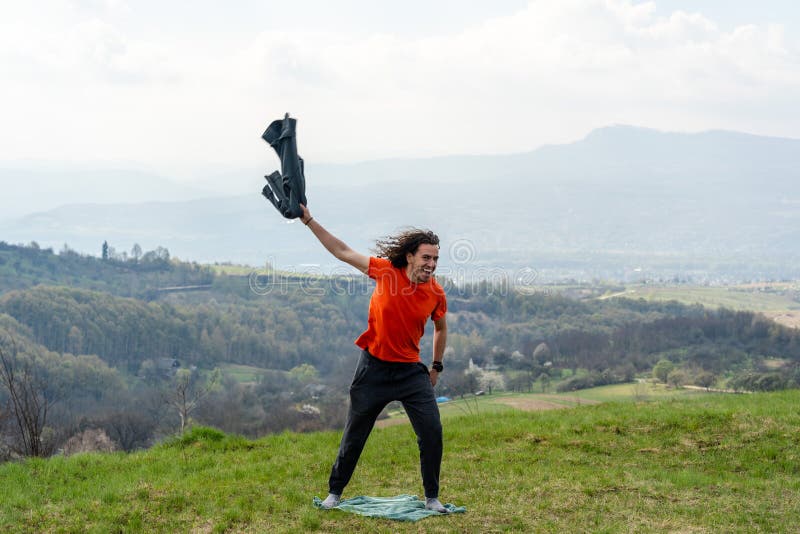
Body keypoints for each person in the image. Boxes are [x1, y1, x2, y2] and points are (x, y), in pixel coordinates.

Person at [299, 204, 450, 513]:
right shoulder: (385, 271)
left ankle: (432, 498)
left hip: (411, 373)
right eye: (426, 257)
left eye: (435, 258)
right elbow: (342, 251)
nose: (432, 264)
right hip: (374, 369)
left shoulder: (435, 293)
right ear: (410, 256)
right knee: (355, 434)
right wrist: (309, 220)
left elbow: (441, 327)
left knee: (432, 432)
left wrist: (436, 365)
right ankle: (334, 492)